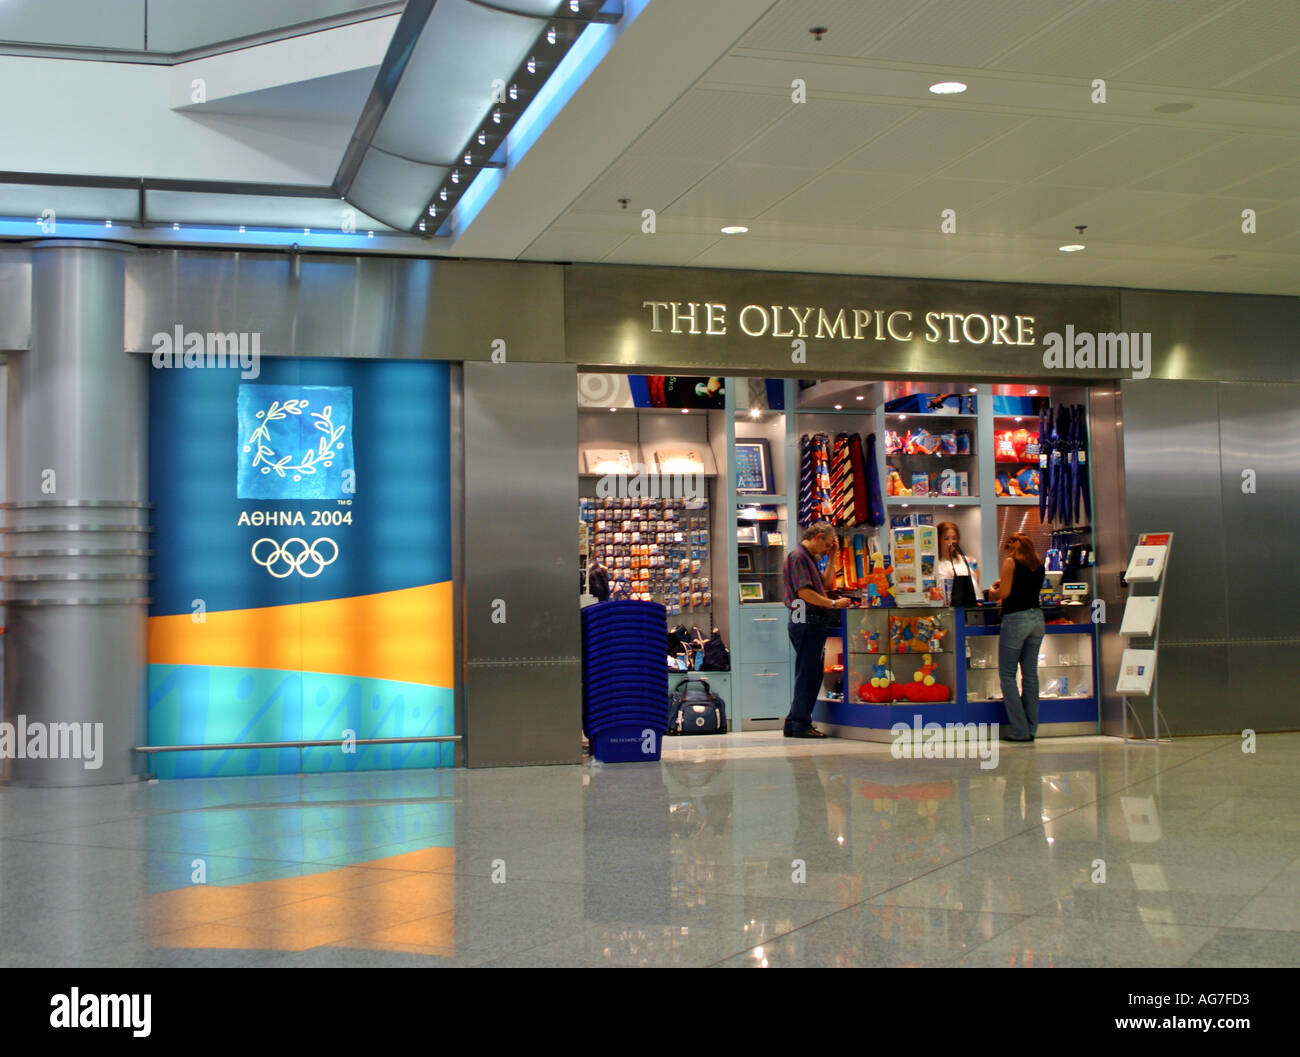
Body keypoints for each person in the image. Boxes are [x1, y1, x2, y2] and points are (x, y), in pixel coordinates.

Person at [781, 522, 851, 738]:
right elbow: (805, 593)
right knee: (808, 675)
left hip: (810, 619)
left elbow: (827, 585)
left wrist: (832, 558)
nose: (827, 548)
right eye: (827, 544)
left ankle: (794, 723)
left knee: (809, 673)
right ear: (818, 536)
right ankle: (801, 724)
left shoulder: (809, 558)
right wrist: (832, 605)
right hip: (806, 619)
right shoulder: (798, 557)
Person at [987, 532, 1046, 743]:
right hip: (1037, 619)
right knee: (1030, 676)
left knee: (1008, 676)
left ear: (1012, 547)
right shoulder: (1039, 563)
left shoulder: (1011, 562)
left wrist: (992, 591)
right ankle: (1031, 728)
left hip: (1015, 619)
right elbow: (1024, 586)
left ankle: (1019, 730)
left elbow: (1003, 594)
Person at [935, 521, 981, 607]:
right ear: (938, 539)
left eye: (954, 538)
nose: (951, 542)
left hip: (969, 608)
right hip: (944, 608)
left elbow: (976, 585)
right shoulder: (934, 563)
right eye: (946, 538)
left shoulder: (968, 561)